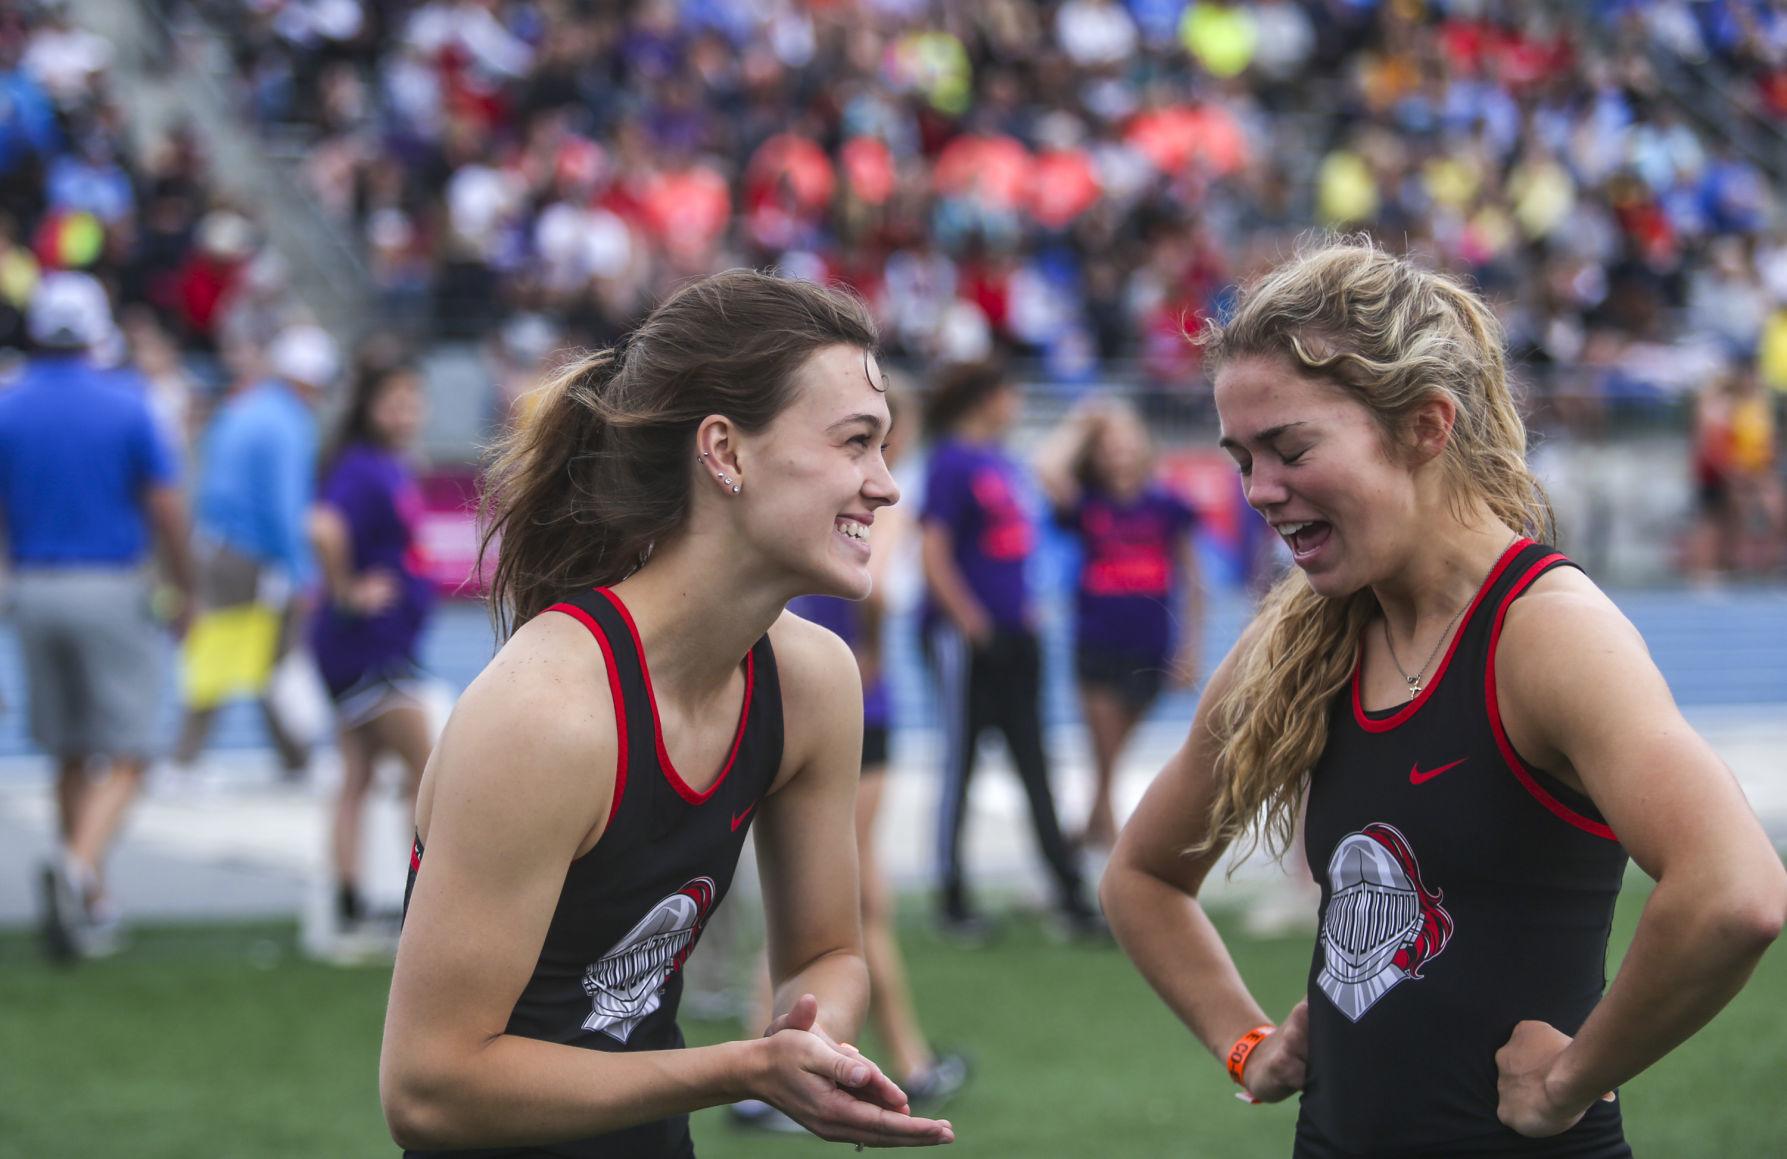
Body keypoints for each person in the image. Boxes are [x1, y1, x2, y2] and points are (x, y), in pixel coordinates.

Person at [1102, 240, 1786, 1157]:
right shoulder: (1298, 636)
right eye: (1240, 458)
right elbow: (1142, 874)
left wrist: (1570, 1078)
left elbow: (1734, 892)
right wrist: (1246, 1044)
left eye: (1290, 447)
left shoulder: (1545, 632)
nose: (1259, 491)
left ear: (1426, 425)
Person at [379, 270, 955, 1155]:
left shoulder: (812, 681)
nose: (886, 487)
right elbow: (430, 1089)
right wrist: (740, 1068)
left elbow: (828, 952)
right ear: (723, 452)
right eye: (855, 442)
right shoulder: (547, 714)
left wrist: (811, 1037)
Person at [736, 386, 968, 1133]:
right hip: (854, 710)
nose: (881, 470)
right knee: (846, 901)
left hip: (847, 705)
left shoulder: (828, 500)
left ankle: (898, 1055)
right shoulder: (857, 511)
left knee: (838, 900)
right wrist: (868, 648)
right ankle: (833, 1061)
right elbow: (874, 591)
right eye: (860, 441)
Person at [0, 271, 196, 961]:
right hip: (112, 582)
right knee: (135, 747)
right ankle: (79, 866)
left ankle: (90, 893)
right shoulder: (128, 401)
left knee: (68, 748)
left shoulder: (8, 404)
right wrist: (186, 585)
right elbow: (166, 506)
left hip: (32, 586)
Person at [918, 361, 1101, 942]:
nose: (1016, 402)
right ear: (984, 398)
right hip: (967, 641)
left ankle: (1069, 896)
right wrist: (971, 621)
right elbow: (933, 549)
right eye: (1009, 391)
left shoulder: (1000, 460)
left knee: (1034, 763)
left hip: (1016, 636)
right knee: (960, 767)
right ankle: (952, 899)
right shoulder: (951, 461)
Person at [1034, 398, 1204, 851]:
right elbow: (1047, 469)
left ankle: (1086, 832)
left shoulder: (1169, 506)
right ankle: (1114, 857)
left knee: (1109, 760)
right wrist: (1082, 420)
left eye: (1127, 443)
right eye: (1108, 446)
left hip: (1150, 648)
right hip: (1097, 644)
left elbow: (1194, 583)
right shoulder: (1088, 505)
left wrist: (1190, 650)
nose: (1120, 453)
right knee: (1105, 755)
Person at [308, 356, 436, 945]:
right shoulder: (361, 469)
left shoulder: (383, 465)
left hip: (377, 647)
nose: (406, 413)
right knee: (432, 770)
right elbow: (324, 528)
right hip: (367, 650)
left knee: (357, 774)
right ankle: (423, 902)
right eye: (395, 401)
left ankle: (350, 899)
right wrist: (347, 593)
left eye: (413, 400)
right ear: (368, 406)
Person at [176, 323, 340, 773]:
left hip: (215, 544)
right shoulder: (289, 423)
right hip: (251, 556)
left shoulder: (240, 407)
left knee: (257, 655)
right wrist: (303, 572)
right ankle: (188, 758)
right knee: (254, 654)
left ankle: (294, 757)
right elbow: (286, 507)